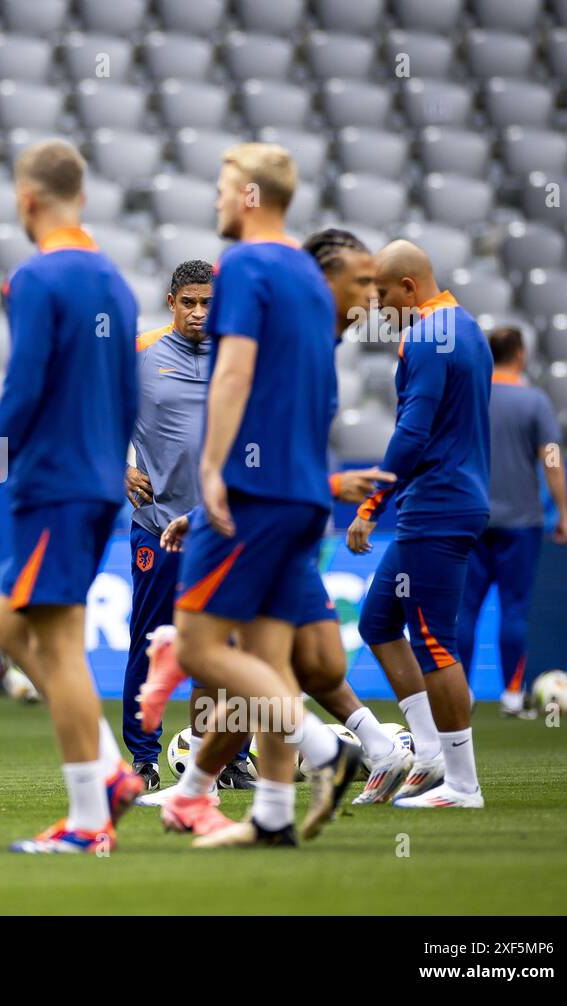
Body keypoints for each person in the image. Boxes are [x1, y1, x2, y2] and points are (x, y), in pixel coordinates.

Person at [140, 229, 410, 814]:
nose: (374, 294)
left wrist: (213, 491)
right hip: (266, 508)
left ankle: (310, 760)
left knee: (224, 652)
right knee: (302, 661)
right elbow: (266, 436)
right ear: (323, 282)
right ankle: (339, 766)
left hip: (263, 512)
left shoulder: (298, 342)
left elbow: (266, 438)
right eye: (361, 282)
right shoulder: (298, 340)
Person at [154, 143, 356, 849]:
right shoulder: (307, 271)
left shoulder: (241, 265)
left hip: (252, 487)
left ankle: (324, 749)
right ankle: (271, 812)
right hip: (302, 488)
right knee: (269, 661)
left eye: (221, 185)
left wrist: (212, 467)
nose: (215, 197)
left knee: (200, 646)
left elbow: (233, 371)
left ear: (248, 194)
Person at [0, 138, 144, 854]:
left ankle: (90, 819)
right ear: (83, 197)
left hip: (53, 485)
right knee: (9, 629)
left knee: (59, 651)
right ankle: (109, 775)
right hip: (95, 481)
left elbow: (23, 391)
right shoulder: (115, 283)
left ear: (25, 199)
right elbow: (129, 396)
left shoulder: (36, 279)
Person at [348, 239, 492, 810]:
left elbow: (413, 432)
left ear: (408, 287)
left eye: (382, 294)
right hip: (451, 499)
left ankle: (462, 784)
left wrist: (369, 505)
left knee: (434, 642)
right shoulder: (468, 326)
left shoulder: (426, 335)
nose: (377, 307)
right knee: (380, 622)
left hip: (437, 505)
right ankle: (430, 754)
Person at [123, 260, 251, 793]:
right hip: (157, 525)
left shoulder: (238, 355)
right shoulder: (138, 352)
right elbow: (96, 413)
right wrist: (119, 466)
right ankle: (144, 757)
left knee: (228, 647)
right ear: (172, 301)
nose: (200, 312)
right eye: (189, 302)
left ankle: (230, 756)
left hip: (224, 528)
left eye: (209, 303)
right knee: (153, 642)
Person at [456, 326, 567, 717]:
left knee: (465, 608)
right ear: (520, 355)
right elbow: (552, 458)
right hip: (522, 522)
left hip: (470, 517)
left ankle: (461, 695)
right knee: (515, 608)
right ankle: (510, 696)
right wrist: (563, 511)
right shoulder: (534, 401)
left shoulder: (470, 397)